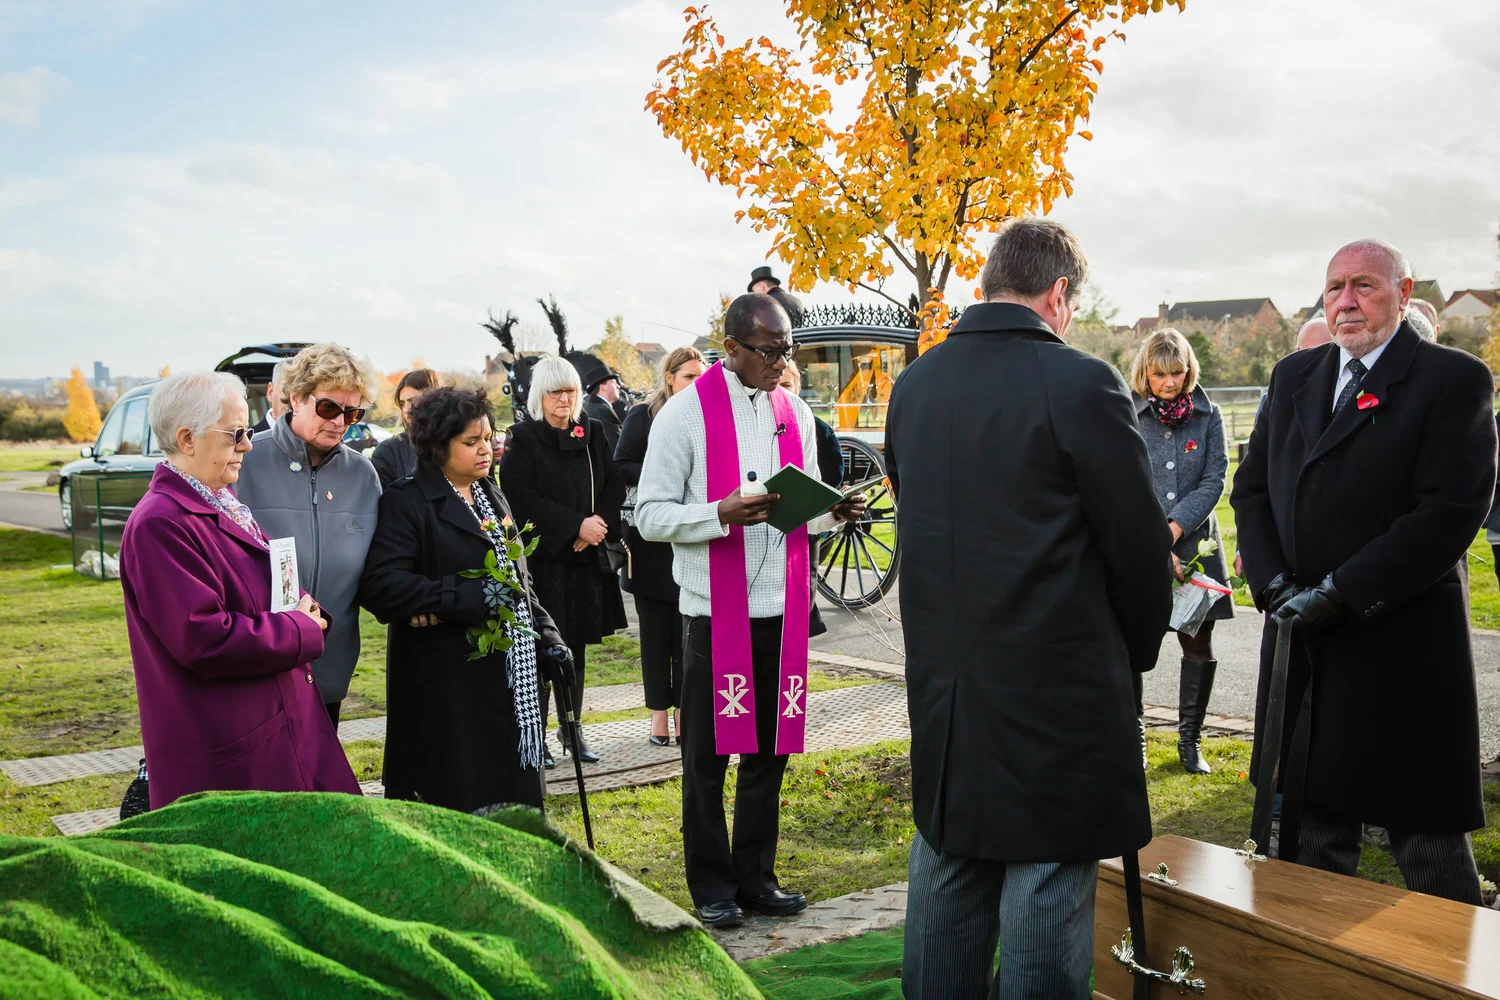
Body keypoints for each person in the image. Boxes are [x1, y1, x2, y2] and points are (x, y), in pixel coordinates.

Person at [884, 218, 1170, 998]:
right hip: (1055, 696)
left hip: (949, 695)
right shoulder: (1081, 382)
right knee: (1044, 893)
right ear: (1059, 294)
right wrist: (1133, 652)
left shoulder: (915, 385)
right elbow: (1139, 552)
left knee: (950, 869)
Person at [1231, 238, 1494, 905]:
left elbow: (1449, 514)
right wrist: (1274, 587)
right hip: (1306, 648)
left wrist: (1341, 593)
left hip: (1400, 650)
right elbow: (1253, 489)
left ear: (1404, 295)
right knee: (1311, 846)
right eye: (1334, 286)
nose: (1345, 301)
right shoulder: (1295, 377)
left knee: (1429, 852)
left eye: (1364, 286)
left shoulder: (1451, 382)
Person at [636, 293, 866, 930]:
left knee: (770, 755)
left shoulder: (793, 409)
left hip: (782, 613)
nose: (781, 363)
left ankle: (757, 875)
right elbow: (649, 515)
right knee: (708, 760)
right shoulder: (683, 417)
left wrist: (833, 511)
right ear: (731, 347)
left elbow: (803, 510)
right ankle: (712, 884)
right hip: (713, 615)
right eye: (769, 351)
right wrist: (717, 514)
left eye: (788, 350)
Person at [119, 371, 360, 809]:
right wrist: (300, 629)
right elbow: (205, 639)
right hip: (233, 751)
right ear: (187, 439)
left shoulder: (219, 501)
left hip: (272, 731)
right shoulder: (160, 523)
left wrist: (303, 610)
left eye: (248, 431)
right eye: (235, 434)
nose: (248, 444)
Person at [359, 387, 572, 812]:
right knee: (459, 800)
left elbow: (516, 581)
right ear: (438, 446)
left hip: (507, 679)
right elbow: (382, 585)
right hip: (445, 689)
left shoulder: (490, 494)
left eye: (489, 439)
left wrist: (547, 634)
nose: (486, 450)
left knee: (512, 807)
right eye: (470, 442)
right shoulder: (407, 501)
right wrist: (464, 597)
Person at [237, 343, 382, 730]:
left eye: (352, 413)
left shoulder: (363, 477)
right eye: (329, 408)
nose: (340, 422)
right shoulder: (243, 462)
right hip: (257, 670)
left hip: (329, 673)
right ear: (296, 398)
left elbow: (377, 570)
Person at [500, 356, 628, 766]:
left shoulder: (591, 434)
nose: (564, 399)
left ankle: (572, 730)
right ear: (541, 394)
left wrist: (596, 527)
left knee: (577, 649)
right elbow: (520, 498)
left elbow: (613, 485)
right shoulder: (523, 438)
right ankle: (534, 733)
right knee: (541, 648)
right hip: (545, 563)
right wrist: (574, 527)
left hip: (587, 559)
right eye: (556, 391)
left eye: (570, 390)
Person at [1128, 328, 1233, 775]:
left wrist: (1171, 533)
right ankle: (1134, 741)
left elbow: (1215, 479)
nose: (1169, 383)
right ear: (1145, 373)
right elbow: (1125, 480)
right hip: (1140, 548)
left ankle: (1191, 742)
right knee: (1132, 646)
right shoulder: (1127, 414)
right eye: (1159, 374)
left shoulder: (1209, 416)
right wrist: (1154, 540)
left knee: (1197, 642)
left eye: (1177, 373)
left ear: (1189, 370)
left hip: (1195, 547)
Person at [614, 346, 706, 746]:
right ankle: (658, 718)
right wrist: (664, 474)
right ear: (669, 377)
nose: (695, 384)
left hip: (689, 534)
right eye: (688, 376)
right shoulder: (643, 415)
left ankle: (686, 712)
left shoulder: (705, 414)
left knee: (685, 634)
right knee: (655, 637)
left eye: (701, 377)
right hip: (651, 542)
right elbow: (621, 464)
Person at [370, 367, 441, 488]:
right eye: (402, 403)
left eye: (413, 400)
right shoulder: (389, 451)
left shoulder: (455, 445)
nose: (407, 409)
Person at [778, 359, 842, 486]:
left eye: (786, 386)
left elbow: (832, 479)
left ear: (798, 388)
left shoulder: (821, 430)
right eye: (776, 386)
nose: (780, 392)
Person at [582, 365, 625, 455]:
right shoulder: (602, 411)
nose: (618, 386)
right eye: (613, 382)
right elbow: (617, 447)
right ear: (603, 386)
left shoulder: (593, 407)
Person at [250, 360, 289, 434]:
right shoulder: (247, 441)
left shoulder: (313, 442)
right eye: (287, 390)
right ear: (271, 392)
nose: (295, 401)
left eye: (305, 394)